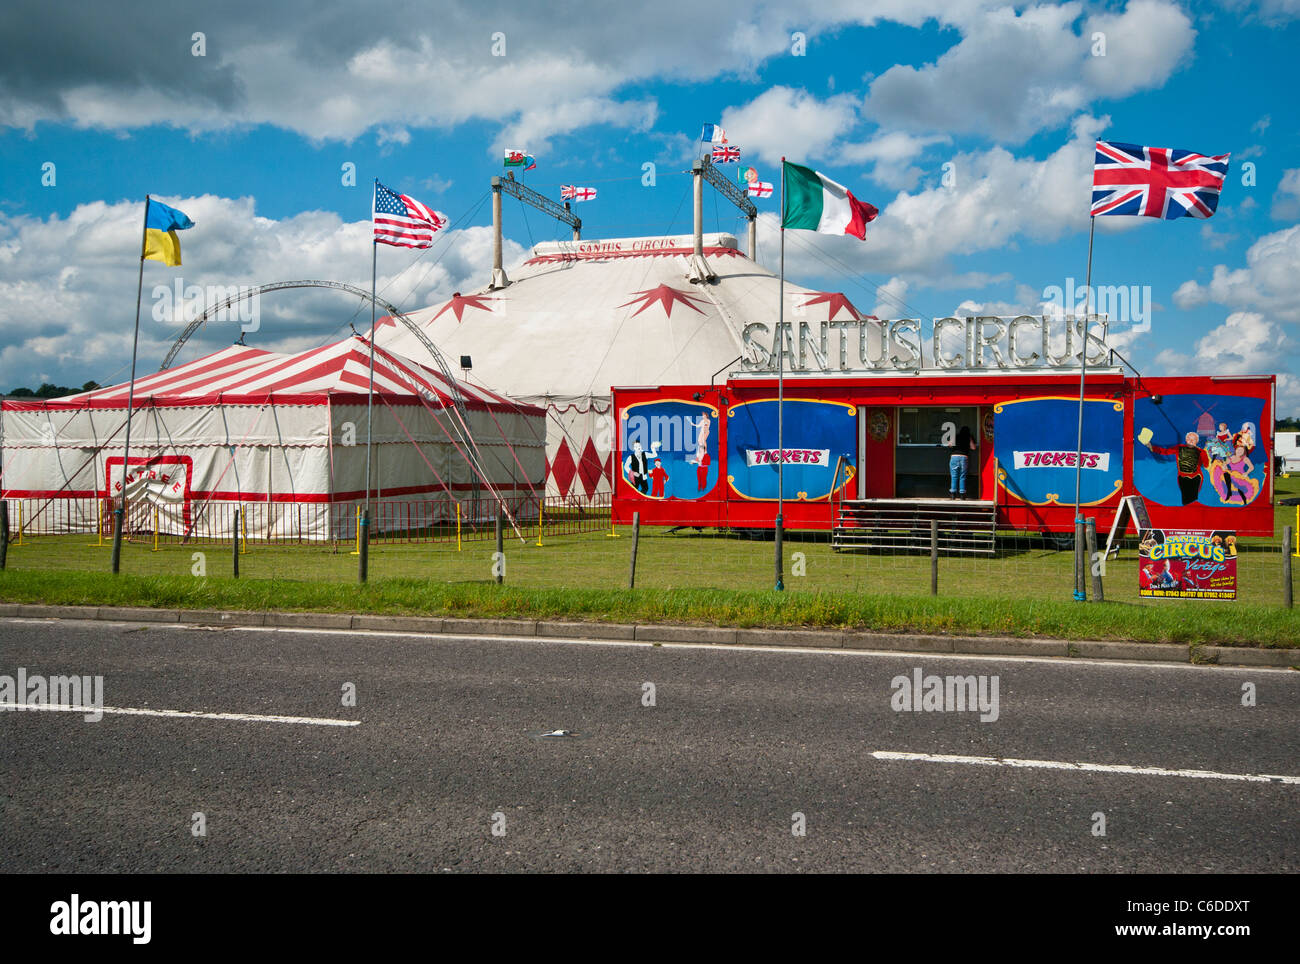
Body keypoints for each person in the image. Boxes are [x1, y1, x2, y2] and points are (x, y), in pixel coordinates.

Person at [1145, 431, 1209, 506]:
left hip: (1196, 477)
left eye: (1193, 439)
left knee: (1193, 499)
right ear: (1186, 440)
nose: (1191, 441)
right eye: (1189, 438)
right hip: (1182, 477)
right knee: (1185, 500)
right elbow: (1165, 452)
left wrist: (1204, 456)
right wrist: (1151, 447)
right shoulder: (1179, 448)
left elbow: (1206, 465)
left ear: (1197, 441)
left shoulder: (1201, 452)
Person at [948, 424, 975, 499]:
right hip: (964, 457)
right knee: (962, 476)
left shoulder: (956, 436)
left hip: (954, 456)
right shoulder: (968, 437)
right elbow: (973, 447)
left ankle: (953, 494)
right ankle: (962, 495)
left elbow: (949, 445)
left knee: (954, 476)